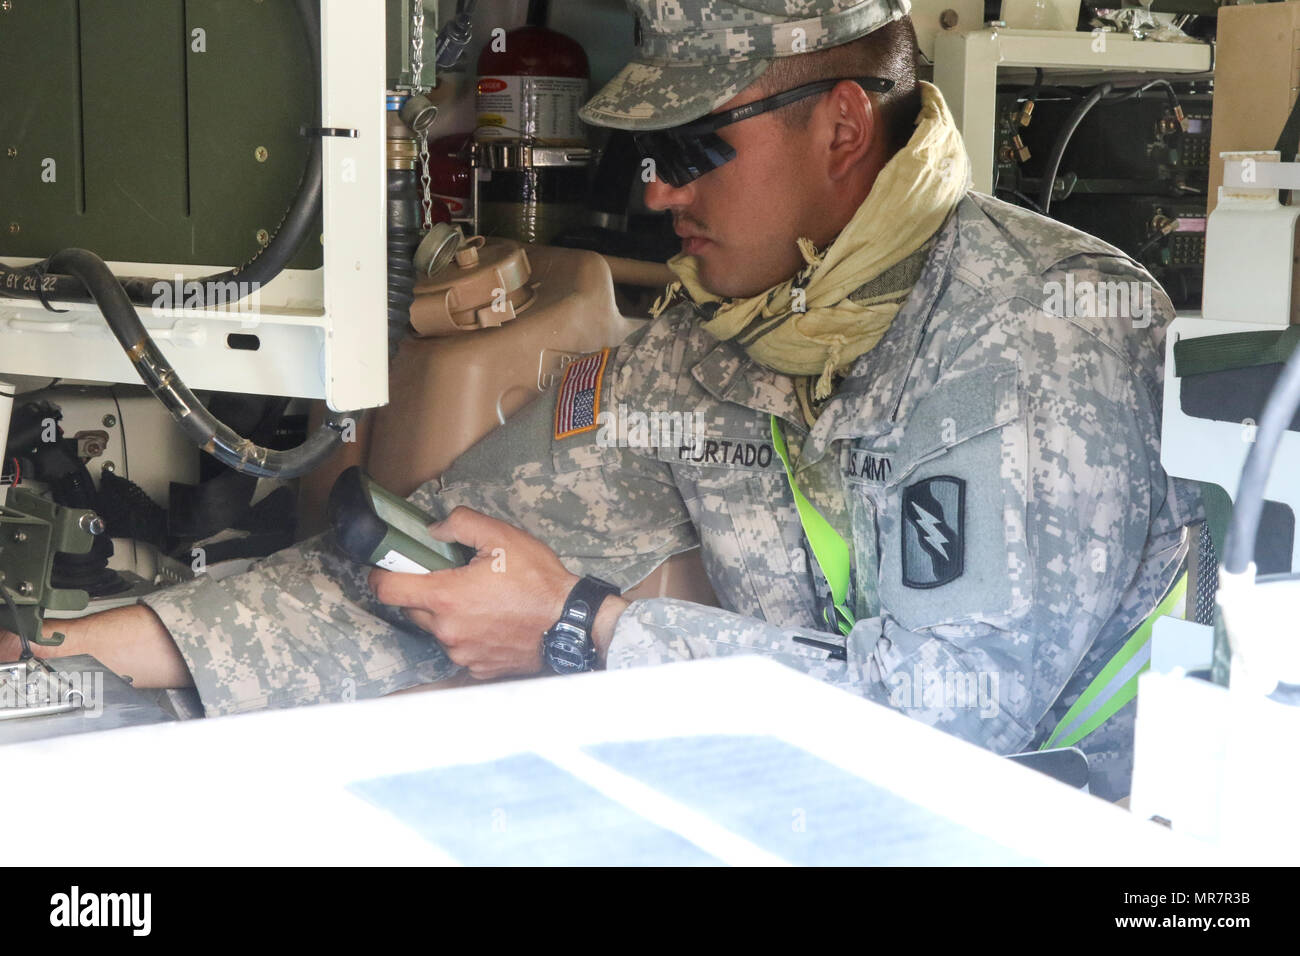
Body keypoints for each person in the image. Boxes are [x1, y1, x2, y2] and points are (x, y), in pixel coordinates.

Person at [0, 0, 1200, 800]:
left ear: (841, 126)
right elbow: (445, 567)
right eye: (641, 155)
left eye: (687, 149)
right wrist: (76, 647)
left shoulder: (1037, 324)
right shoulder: (712, 342)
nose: (657, 193)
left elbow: (959, 725)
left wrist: (587, 630)